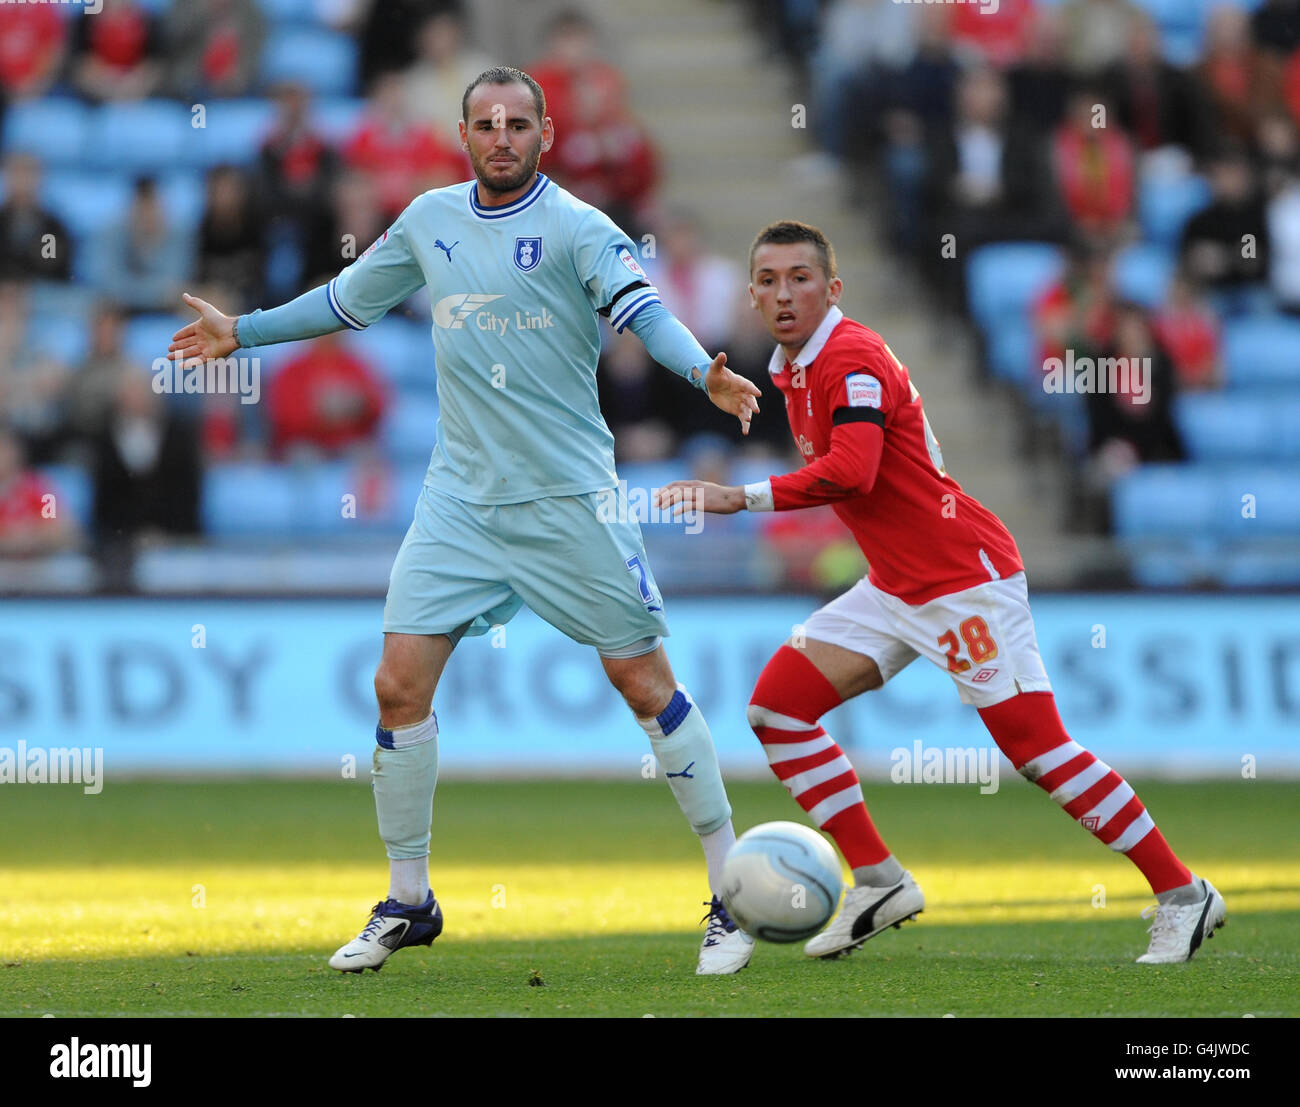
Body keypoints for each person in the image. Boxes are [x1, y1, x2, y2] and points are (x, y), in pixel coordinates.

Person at [168, 66, 763, 976]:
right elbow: (345, 300)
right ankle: (409, 900)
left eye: (516, 123)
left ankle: (732, 894)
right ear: (463, 133)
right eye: (484, 123)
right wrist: (240, 332)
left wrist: (704, 375)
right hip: (459, 500)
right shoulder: (428, 220)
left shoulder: (579, 227)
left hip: (569, 498)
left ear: (545, 133)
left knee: (645, 684)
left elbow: (641, 309)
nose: (500, 136)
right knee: (397, 687)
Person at [658, 220, 1225, 966]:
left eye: (801, 277)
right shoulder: (788, 367)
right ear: (753, 293)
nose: (783, 292)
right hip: (895, 583)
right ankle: (880, 881)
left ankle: (1184, 894)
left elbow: (854, 471)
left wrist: (740, 497)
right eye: (768, 279)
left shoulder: (851, 357)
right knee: (778, 710)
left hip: (963, 580)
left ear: (832, 290)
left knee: (1040, 752)